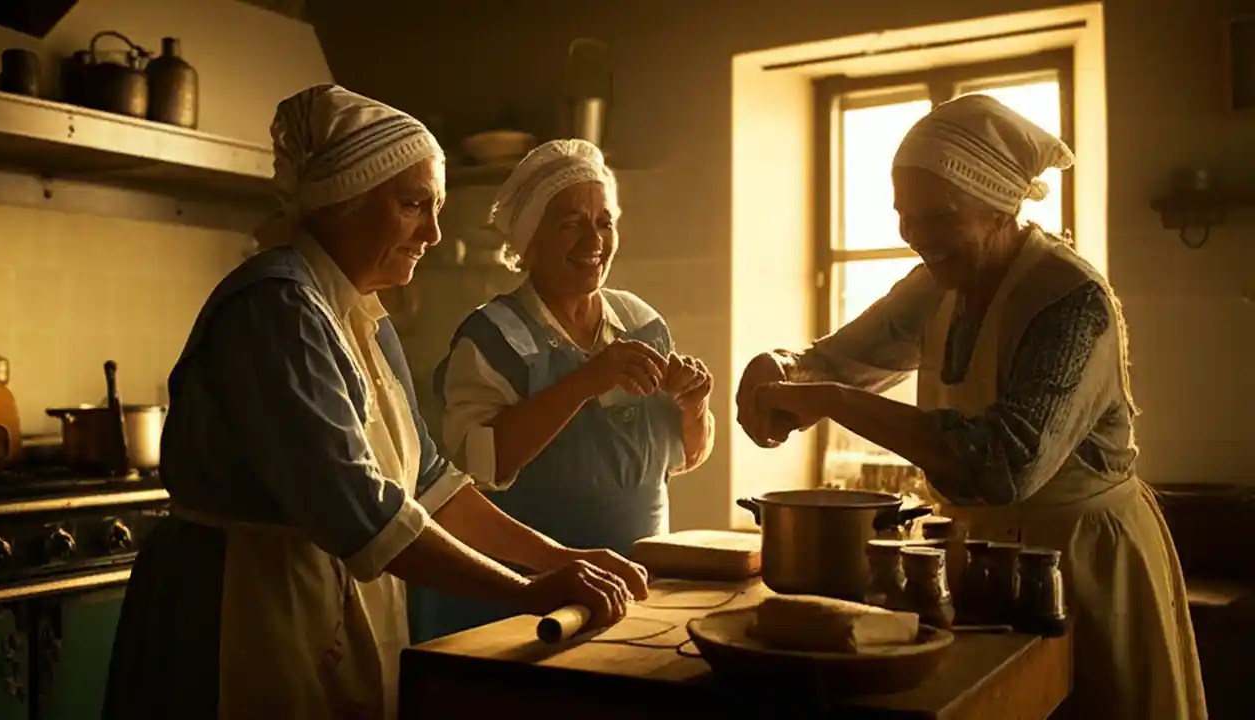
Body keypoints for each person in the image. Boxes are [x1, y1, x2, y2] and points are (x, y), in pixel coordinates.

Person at [102, 85, 649, 720]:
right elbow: (361, 510)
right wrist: (526, 590)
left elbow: (429, 481)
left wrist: (562, 556)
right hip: (243, 609)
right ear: (343, 201)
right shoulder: (278, 309)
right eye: (415, 205)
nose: (435, 232)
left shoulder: (363, 314)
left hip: (317, 603)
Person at [735, 94, 1207, 719]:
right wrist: (781, 369)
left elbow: (1004, 465)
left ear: (998, 207)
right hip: (982, 564)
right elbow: (844, 356)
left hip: (1080, 564)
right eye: (907, 217)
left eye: (939, 217)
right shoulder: (940, 282)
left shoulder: (1070, 301)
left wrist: (824, 398)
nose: (918, 237)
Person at [408, 139, 715, 642]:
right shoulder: (492, 339)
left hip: (637, 590)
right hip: (528, 600)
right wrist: (585, 382)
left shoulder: (642, 323)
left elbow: (685, 456)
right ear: (528, 238)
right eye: (570, 222)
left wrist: (694, 404)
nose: (593, 239)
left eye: (604, 222)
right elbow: (480, 466)